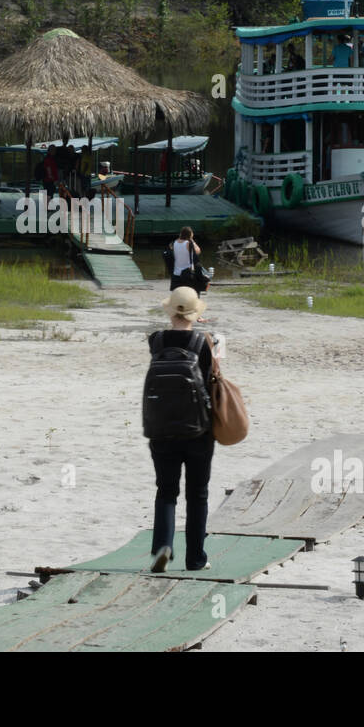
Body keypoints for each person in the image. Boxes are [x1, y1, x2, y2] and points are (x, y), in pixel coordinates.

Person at [145, 286, 216, 572]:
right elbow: (212, 380)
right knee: (197, 493)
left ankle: (163, 545)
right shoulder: (203, 343)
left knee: (166, 491)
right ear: (195, 314)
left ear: (171, 311)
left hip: (161, 428)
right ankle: (196, 559)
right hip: (198, 430)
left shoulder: (156, 340)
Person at [169, 226, 201, 292]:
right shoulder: (188, 243)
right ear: (190, 234)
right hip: (187, 274)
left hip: (176, 273)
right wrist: (192, 240)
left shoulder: (175, 243)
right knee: (189, 294)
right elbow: (198, 251)